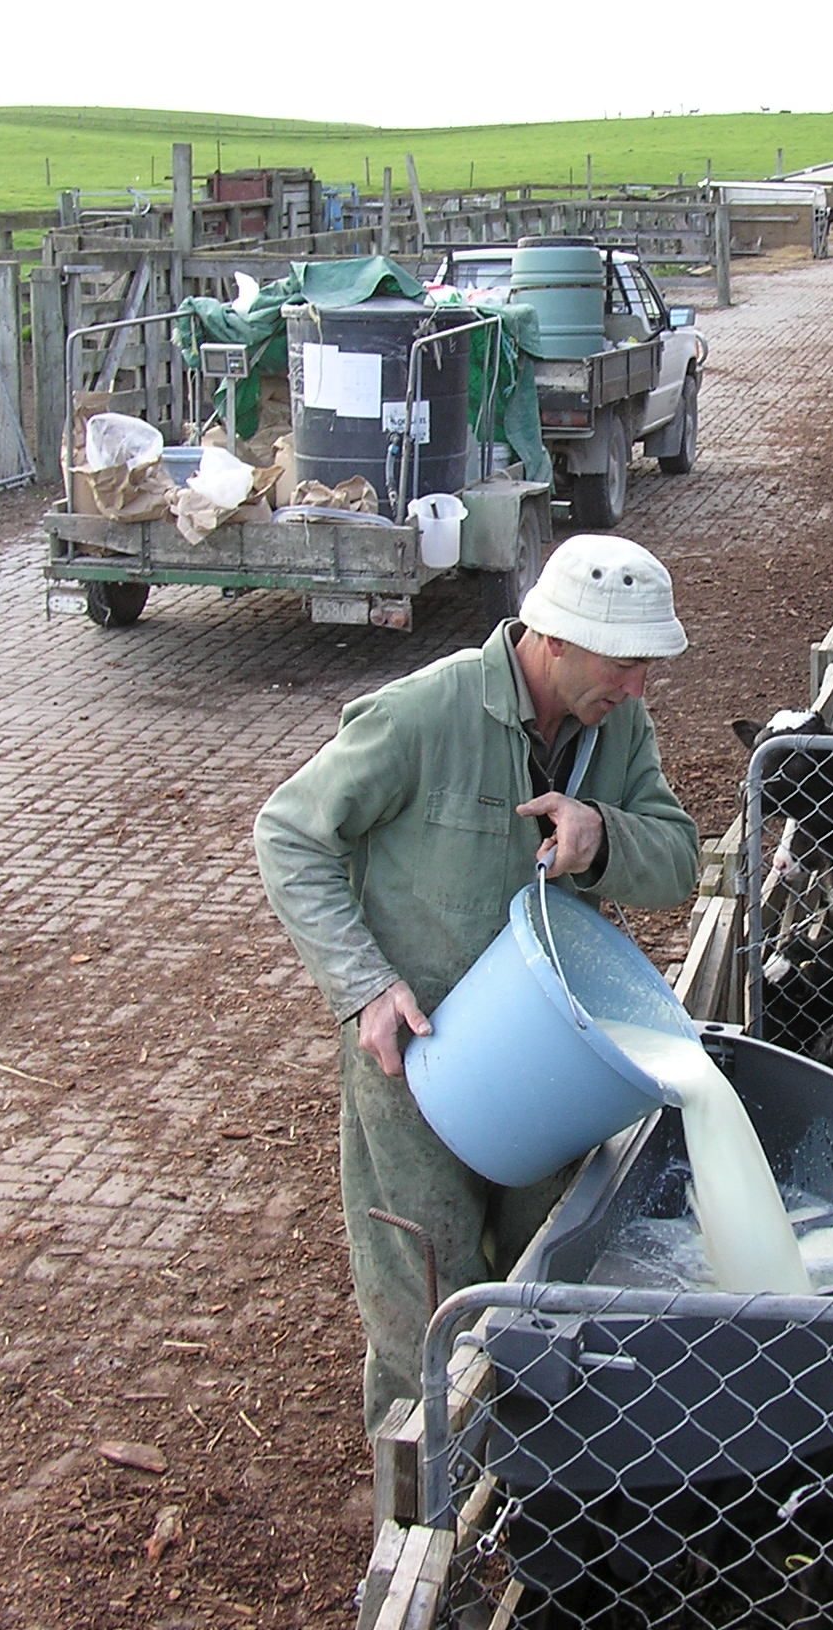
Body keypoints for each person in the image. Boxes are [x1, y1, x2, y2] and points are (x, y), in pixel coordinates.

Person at [254, 534, 699, 1433]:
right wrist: (365, 987)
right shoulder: (427, 712)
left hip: (546, 1058)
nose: (639, 688)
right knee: (424, 1293)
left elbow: (682, 862)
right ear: (556, 640)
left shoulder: (620, 731)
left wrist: (600, 834)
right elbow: (290, 834)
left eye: (649, 668)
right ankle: (417, 1513)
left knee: (542, 1272)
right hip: (414, 1055)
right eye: (625, 664)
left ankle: (521, 1480)